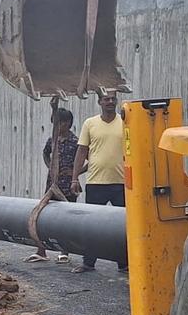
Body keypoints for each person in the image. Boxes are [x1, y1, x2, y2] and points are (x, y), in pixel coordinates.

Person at [71, 90, 128, 273]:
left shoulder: (125, 122)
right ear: (99, 102)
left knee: (122, 226)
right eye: (106, 99)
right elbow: (81, 151)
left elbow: (133, 150)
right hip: (96, 182)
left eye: (113, 99)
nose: (110, 101)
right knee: (91, 226)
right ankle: (88, 263)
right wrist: (74, 178)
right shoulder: (90, 123)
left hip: (121, 183)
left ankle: (124, 263)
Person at [27, 101, 79, 264]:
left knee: (66, 219)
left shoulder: (75, 141)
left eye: (59, 123)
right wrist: (50, 166)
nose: (57, 126)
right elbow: (45, 153)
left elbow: (88, 160)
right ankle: (41, 250)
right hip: (52, 184)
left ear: (67, 123)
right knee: (44, 215)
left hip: (68, 186)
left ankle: (64, 251)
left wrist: (75, 173)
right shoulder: (52, 140)